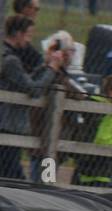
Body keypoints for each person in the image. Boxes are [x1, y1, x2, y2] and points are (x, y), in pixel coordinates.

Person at [0, 13, 64, 180]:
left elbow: (26, 81)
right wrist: (52, 68)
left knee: (14, 175)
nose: (29, 41)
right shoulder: (10, 60)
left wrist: (46, 64)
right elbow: (33, 89)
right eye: (28, 35)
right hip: (14, 127)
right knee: (16, 178)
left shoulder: (10, 58)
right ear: (18, 34)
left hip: (16, 127)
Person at [74, 71, 112, 187]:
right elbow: (100, 140)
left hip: (90, 166)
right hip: (99, 170)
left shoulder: (100, 107)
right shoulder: (106, 112)